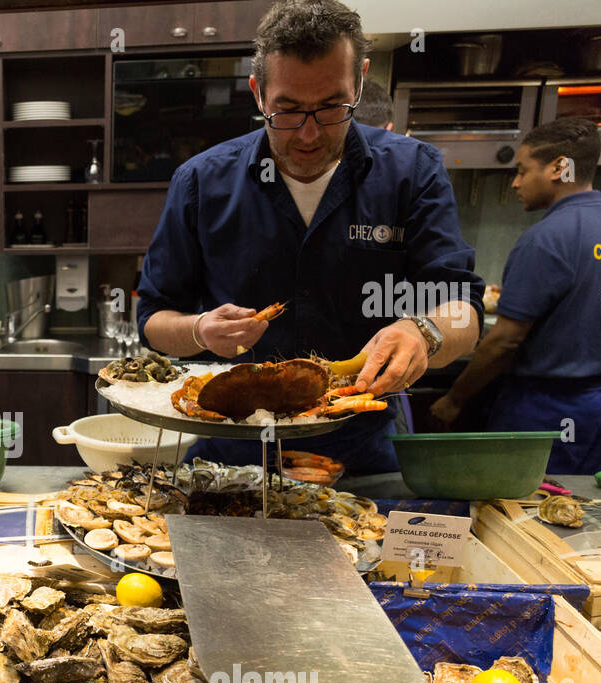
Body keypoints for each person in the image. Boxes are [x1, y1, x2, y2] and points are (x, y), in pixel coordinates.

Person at [138, 0, 482, 475]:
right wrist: (198, 330)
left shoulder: (413, 173)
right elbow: (154, 319)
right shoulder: (201, 182)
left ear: (359, 81)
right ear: (259, 93)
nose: (308, 134)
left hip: (363, 442)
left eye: (331, 107)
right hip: (236, 446)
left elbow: (462, 306)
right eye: (288, 110)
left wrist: (422, 331)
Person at [431, 119, 601, 474]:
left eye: (522, 170)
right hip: (597, 402)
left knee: (521, 509)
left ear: (559, 167)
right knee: (572, 508)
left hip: (545, 406)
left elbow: (505, 341)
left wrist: (454, 399)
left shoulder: (546, 239)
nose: (515, 182)